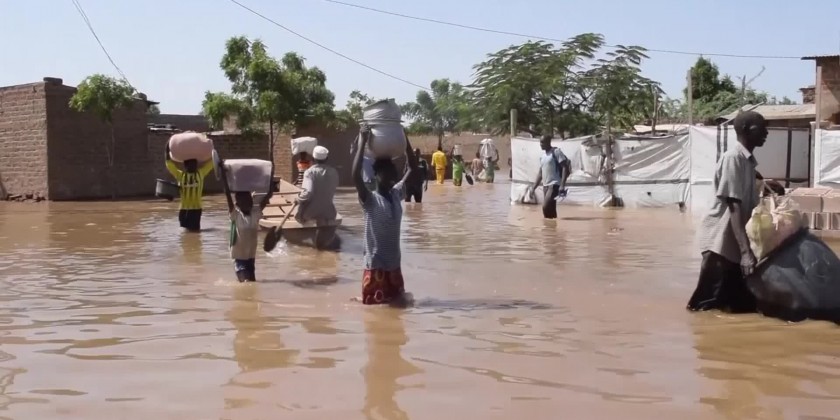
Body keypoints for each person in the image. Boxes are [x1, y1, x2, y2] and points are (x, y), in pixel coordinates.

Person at [687, 111, 768, 313]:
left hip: (734, 245)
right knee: (706, 306)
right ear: (746, 130)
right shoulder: (733, 159)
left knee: (740, 307)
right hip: (721, 245)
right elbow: (734, 205)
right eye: (761, 128)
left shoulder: (748, 162)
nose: (766, 132)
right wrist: (745, 252)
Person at [352, 126, 418, 305]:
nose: (392, 177)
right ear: (377, 175)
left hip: (394, 264)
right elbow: (356, 176)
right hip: (375, 267)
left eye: (394, 173)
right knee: (375, 312)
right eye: (387, 173)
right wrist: (362, 142)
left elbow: (413, 168)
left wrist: (405, 140)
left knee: (398, 308)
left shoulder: (396, 194)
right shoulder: (370, 199)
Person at [219, 158, 273, 282]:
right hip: (239, 258)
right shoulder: (235, 214)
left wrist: (270, 171)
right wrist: (223, 174)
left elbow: (268, 195)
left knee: (252, 285)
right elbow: (227, 193)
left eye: (249, 200)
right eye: (244, 201)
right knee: (246, 284)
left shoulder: (255, 213)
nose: (248, 203)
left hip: (251, 257)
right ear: (238, 204)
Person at [296, 146, 340, 249]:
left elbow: (307, 193)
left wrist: (298, 199)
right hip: (329, 212)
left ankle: (305, 231)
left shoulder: (310, 172)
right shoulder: (334, 172)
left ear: (314, 159)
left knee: (299, 208)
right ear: (327, 158)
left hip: (311, 213)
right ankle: (324, 236)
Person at [165, 143, 214, 232]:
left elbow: (211, 163)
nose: (193, 166)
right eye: (191, 164)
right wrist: (167, 149)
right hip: (184, 209)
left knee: (194, 231)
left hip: (196, 209)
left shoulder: (201, 173)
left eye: (194, 164)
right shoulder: (181, 175)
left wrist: (213, 150)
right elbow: (169, 165)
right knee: (185, 231)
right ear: (185, 166)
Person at [532, 135, 570, 219]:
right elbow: (540, 173)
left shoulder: (556, 152)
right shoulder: (542, 157)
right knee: (551, 209)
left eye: (542, 142)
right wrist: (533, 188)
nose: (541, 144)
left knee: (545, 207)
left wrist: (562, 185)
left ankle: (549, 226)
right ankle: (552, 228)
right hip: (545, 186)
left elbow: (564, 167)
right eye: (540, 142)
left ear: (548, 142)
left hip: (554, 185)